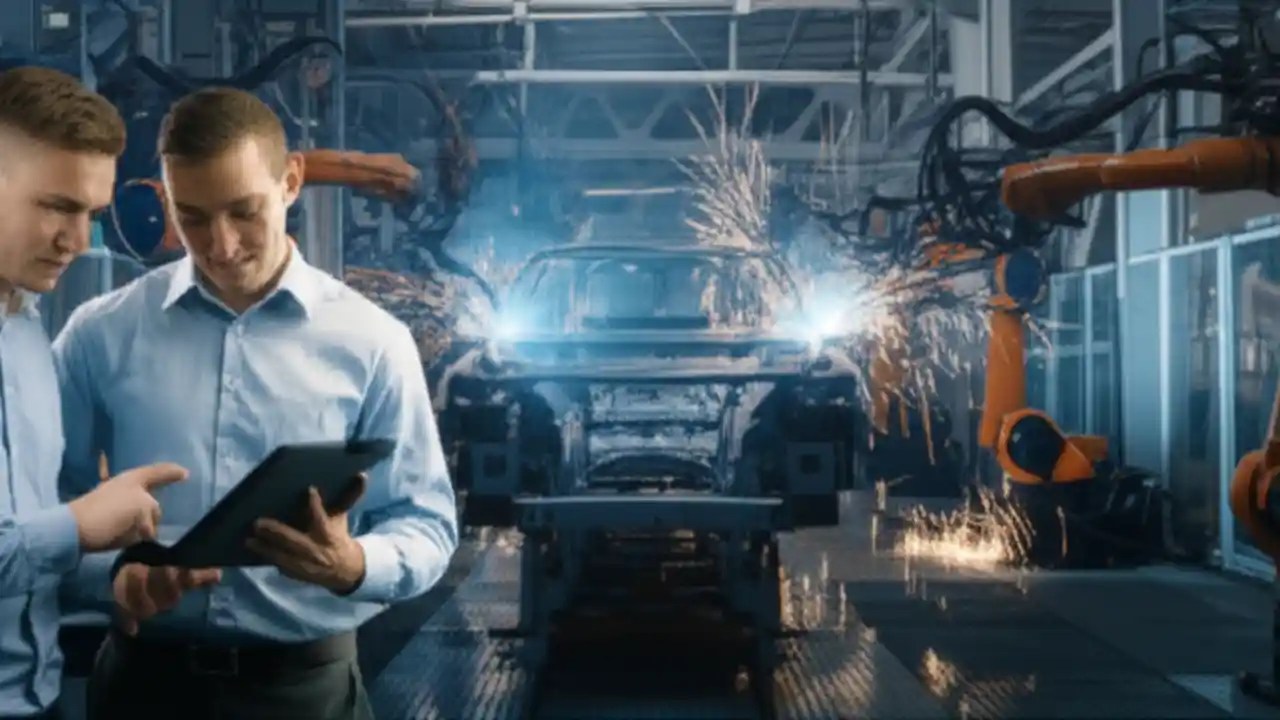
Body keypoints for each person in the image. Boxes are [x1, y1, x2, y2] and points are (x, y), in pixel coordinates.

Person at [53, 86, 458, 720]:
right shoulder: (98, 334)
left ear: (291, 180)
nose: (220, 245)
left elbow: (428, 524)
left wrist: (354, 564)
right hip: (143, 688)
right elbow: (44, 505)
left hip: (307, 692)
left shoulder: (373, 342)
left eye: (245, 212)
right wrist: (113, 575)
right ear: (165, 199)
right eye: (192, 217)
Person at [0, 66, 196, 720]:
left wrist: (117, 574)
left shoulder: (26, 336)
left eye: (90, 213)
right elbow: (48, 535)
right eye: (56, 206)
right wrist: (80, 526)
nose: (79, 242)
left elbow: (24, 546)